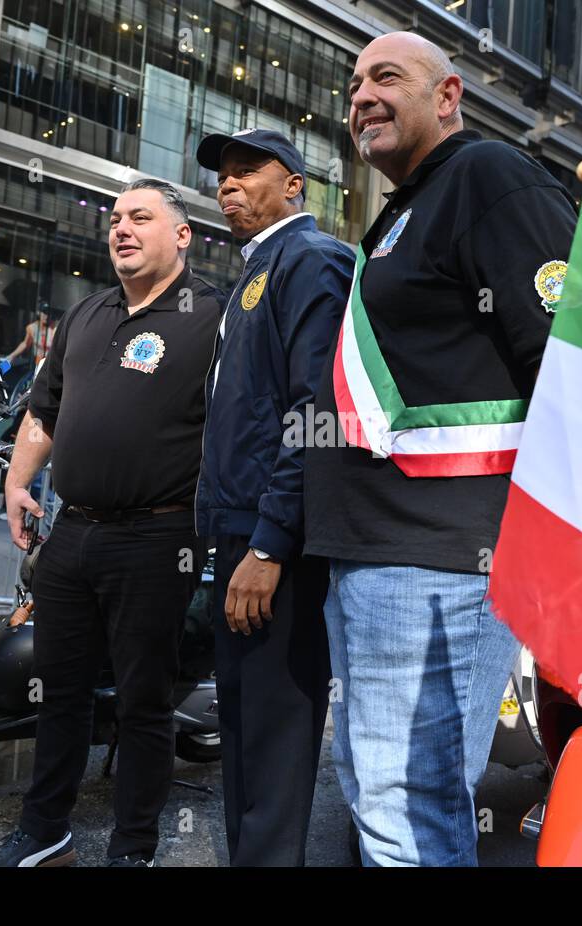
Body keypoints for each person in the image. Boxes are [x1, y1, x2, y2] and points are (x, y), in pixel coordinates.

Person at [303, 32, 578, 865]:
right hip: (377, 555)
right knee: (378, 792)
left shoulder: (488, 176)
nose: (362, 96)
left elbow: (565, 356)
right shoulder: (402, 209)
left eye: (387, 77)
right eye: (354, 83)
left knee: (409, 809)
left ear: (449, 95)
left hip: (440, 563)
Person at [0, 179, 224, 867]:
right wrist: (16, 478)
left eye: (141, 217)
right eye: (116, 217)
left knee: (142, 701)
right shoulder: (85, 315)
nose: (121, 227)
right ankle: (45, 826)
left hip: (159, 538)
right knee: (60, 691)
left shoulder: (212, 316)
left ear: (182, 235)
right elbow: (44, 409)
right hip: (73, 533)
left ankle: (134, 847)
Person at [193, 128, 355, 865]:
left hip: (271, 540)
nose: (228, 186)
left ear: (294, 184)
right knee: (247, 731)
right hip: (237, 530)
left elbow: (316, 410)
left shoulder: (311, 259)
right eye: (222, 177)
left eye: (246, 171)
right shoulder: (255, 272)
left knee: (274, 732)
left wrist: (269, 543)